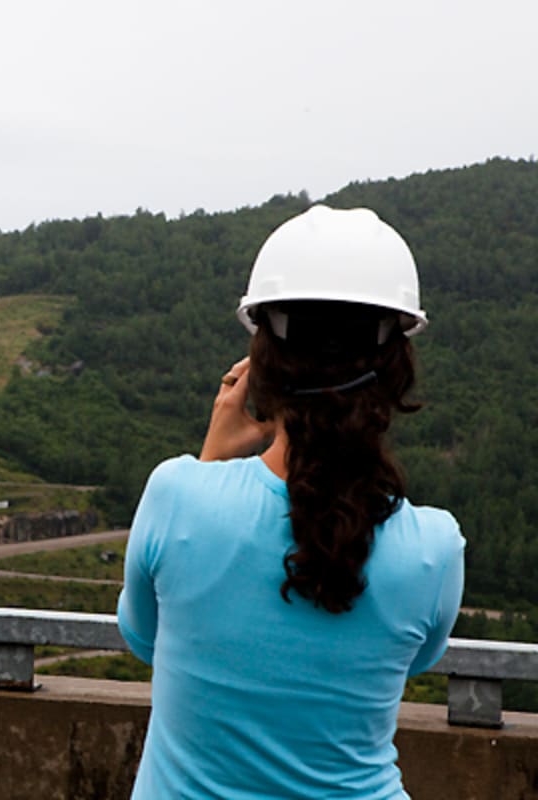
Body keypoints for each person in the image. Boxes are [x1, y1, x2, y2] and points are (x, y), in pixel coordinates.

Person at [118, 205, 465, 799]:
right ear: (394, 372)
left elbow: (150, 638)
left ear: (262, 369)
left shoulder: (177, 496)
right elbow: (406, 666)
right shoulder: (434, 548)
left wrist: (212, 463)